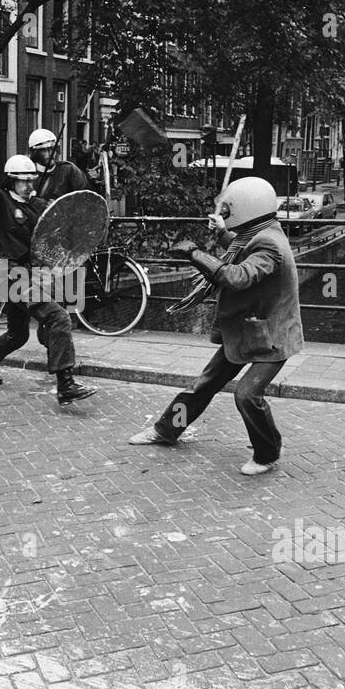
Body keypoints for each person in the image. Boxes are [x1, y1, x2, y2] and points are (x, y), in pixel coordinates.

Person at [128, 176, 303, 476]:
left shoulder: (270, 244)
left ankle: (267, 453)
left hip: (273, 337)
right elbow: (241, 250)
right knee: (204, 384)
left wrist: (195, 254)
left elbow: (238, 276)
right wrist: (223, 233)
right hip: (250, 331)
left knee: (247, 394)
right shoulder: (262, 230)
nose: (227, 213)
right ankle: (166, 430)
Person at [0, 154, 95, 405]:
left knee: (17, 334)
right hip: (12, 274)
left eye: (32, 180)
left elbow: (57, 224)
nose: (29, 185)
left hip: (33, 274)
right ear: (11, 181)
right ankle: (65, 384)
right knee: (58, 316)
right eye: (23, 181)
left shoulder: (36, 204)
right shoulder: (0, 202)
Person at [28, 128, 91, 202]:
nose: (51, 153)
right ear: (35, 153)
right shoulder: (27, 173)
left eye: (53, 149)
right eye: (45, 150)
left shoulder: (68, 170)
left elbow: (87, 198)